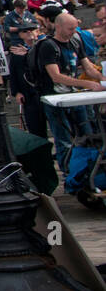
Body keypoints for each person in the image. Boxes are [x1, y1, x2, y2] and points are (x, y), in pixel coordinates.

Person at [35, 11, 105, 194]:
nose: (73, 31)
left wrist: (101, 79)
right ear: (58, 27)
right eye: (70, 28)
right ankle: (69, 175)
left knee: (87, 134)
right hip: (55, 97)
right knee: (64, 138)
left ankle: (90, 171)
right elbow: (55, 76)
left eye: (75, 28)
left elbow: (88, 67)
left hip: (75, 96)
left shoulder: (75, 40)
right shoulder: (48, 46)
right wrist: (86, 83)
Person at [7, 21, 46, 138]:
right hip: (28, 93)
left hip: (45, 90)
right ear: (20, 35)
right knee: (35, 126)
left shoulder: (44, 45)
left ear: (38, 31)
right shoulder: (17, 52)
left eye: (32, 29)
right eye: (25, 31)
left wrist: (28, 53)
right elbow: (13, 73)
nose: (29, 33)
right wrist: (17, 92)